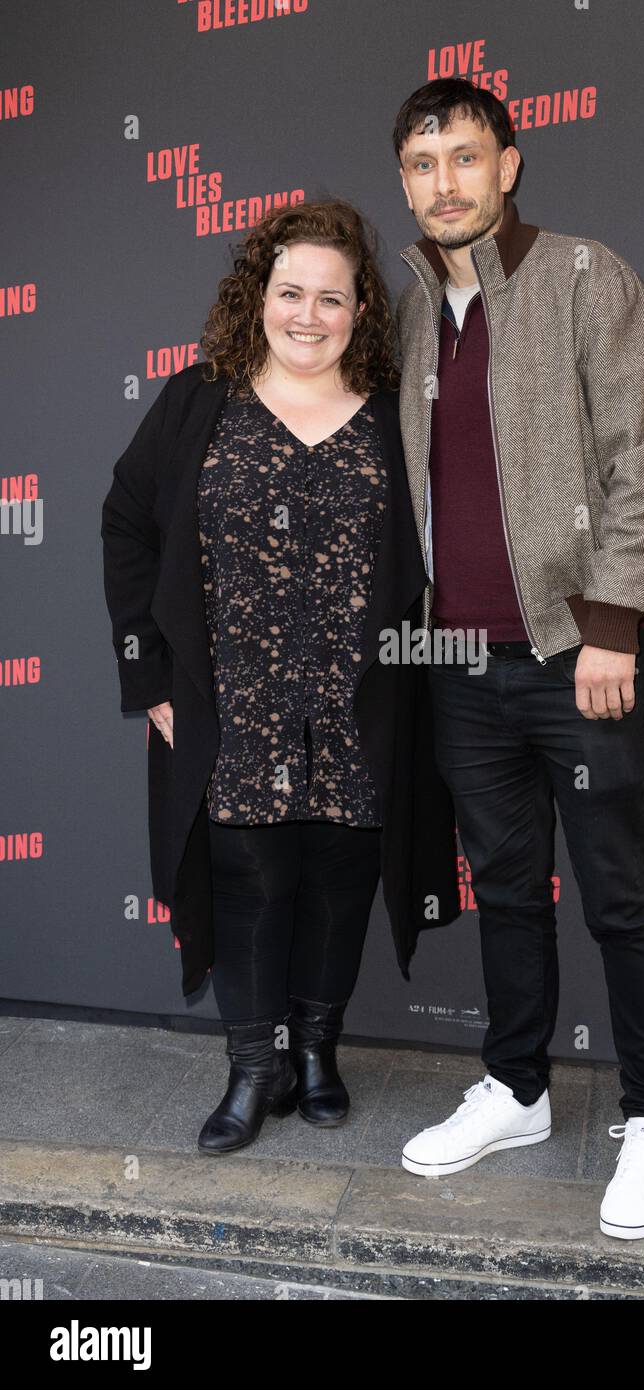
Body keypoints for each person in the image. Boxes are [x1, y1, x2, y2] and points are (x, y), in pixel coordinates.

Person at [391, 79, 644, 1240]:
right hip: (460, 667)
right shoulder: (411, 307)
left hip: (580, 658)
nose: (446, 184)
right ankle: (515, 1087)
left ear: (507, 163)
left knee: (620, 896)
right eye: (423, 166)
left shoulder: (582, 276)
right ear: (405, 181)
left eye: (465, 158)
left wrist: (611, 623)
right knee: (506, 891)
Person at [101, 198, 460, 1157]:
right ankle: (253, 1068)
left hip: (360, 704)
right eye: (289, 291)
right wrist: (151, 678)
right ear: (257, 296)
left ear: (360, 313)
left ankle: (317, 1053)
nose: (308, 315)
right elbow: (127, 525)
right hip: (232, 703)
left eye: (331, 299)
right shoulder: (197, 401)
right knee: (249, 882)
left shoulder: (395, 418)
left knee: (343, 879)